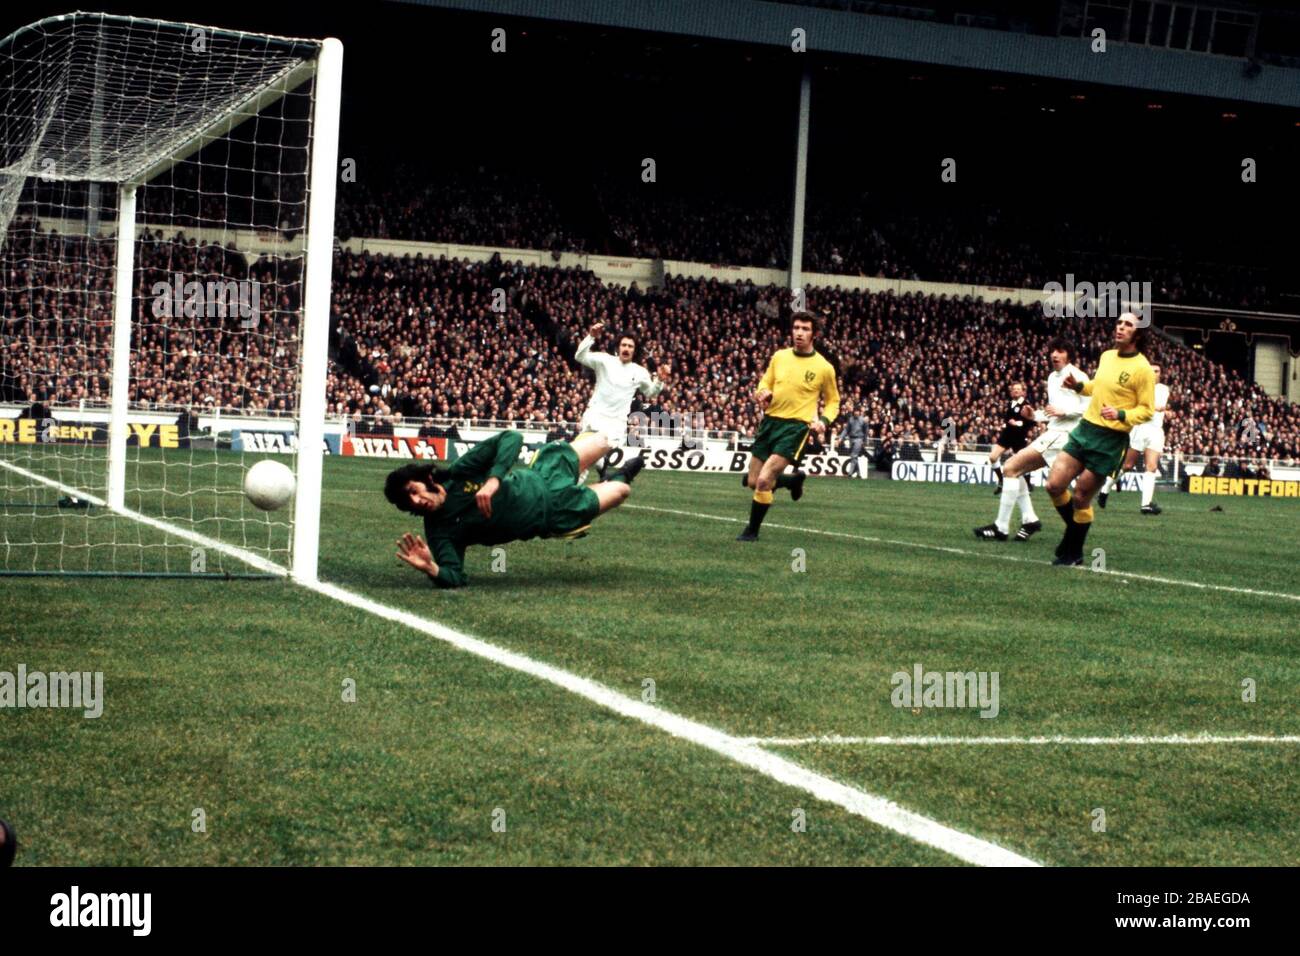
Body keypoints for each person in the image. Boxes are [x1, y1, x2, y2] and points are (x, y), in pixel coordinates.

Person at [385, 428, 643, 588]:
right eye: (408, 502)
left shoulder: (459, 472)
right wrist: (432, 569)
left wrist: (494, 479)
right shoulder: (439, 530)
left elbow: (512, 437)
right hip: (553, 512)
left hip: (543, 474)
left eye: (412, 491)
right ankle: (620, 475)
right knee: (622, 491)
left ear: (425, 479)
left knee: (606, 439)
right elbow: (455, 576)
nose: (416, 501)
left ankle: (595, 467)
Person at [1045, 314, 1156, 566]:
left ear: (1137, 334)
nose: (1121, 327)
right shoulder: (1107, 356)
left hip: (1111, 438)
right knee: (1054, 485)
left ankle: (1073, 552)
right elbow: (1097, 386)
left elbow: (1147, 409)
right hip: (1086, 429)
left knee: (1081, 496)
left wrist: (1121, 414)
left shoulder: (1143, 369)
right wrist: (1079, 387)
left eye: (1128, 325)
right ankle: (1072, 534)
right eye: (1119, 322)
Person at [737, 312, 840, 541]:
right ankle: (792, 481)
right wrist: (761, 392)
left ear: (814, 334)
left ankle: (751, 531)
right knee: (753, 481)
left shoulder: (824, 367)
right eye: (796, 328)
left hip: (796, 428)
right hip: (770, 422)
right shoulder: (779, 357)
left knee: (764, 480)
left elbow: (833, 401)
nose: (799, 333)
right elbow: (765, 382)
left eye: (805, 329)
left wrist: (823, 421)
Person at [975, 337, 1089, 542]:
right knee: (1017, 471)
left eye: (1060, 350)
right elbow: (1052, 411)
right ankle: (1029, 520)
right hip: (1053, 433)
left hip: (1065, 436)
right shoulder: (1053, 377)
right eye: (1053, 350)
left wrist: (1066, 412)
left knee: (1011, 469)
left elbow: (1091, 407)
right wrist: (1034, 416)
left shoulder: (1078, 376)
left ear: (1068, 355)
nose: (1054, 354)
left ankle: (1003, 527)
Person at [574, 323, 670, 478]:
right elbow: (579, 356)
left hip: (615, 424)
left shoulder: (640, 372)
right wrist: (591, 336)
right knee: (583, 457)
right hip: (594, 415)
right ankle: (600, 467)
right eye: (624, 345)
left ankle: (599, 466)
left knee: (588, 455)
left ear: (635, 350)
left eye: (630, 346)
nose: (626, 348)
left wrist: (660, 380)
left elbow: (651, 393)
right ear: (618, 347)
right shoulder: (604, 361)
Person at [1098, 364, 1171, 514]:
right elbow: (1146, 407)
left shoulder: (1163, 389)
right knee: (1127, 465)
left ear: (1161, 374)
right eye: (1150, 371)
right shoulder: (1138, 387)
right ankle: (1104, 490)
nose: (1153, 374)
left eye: (1156, 371)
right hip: (1140, 428)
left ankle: (1145, 505)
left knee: (1151, 467)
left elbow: (1159, 406)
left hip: (1156, 431)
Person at [987, 382, 1035, 496]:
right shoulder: (1010, 403)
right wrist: (1009, 421)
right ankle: (1001, 481)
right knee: (993, 457)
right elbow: (1007, 418)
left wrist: (1018, 423)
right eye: (1014, 389)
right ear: (1011, 392)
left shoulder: (1026, 405)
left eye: (1018, 389)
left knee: (1022, 463)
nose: (1016, 391)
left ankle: (1028, 484)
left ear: (1023, 391)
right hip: (1007, 435)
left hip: (1019, 437)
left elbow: (1030, 422)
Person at [837, 404, 869, 477]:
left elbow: (866, 432)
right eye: (855, 411)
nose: (856, 413)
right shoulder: (850, 419)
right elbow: (846, 429)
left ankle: (850, 473)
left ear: (860, 412)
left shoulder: (863, 420)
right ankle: (858, 473)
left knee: (853, 455)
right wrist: (841, 437)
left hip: (859, 439)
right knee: (854, 457)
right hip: (851, 438)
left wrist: (865, 441)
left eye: (858, 411)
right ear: (853, 412)